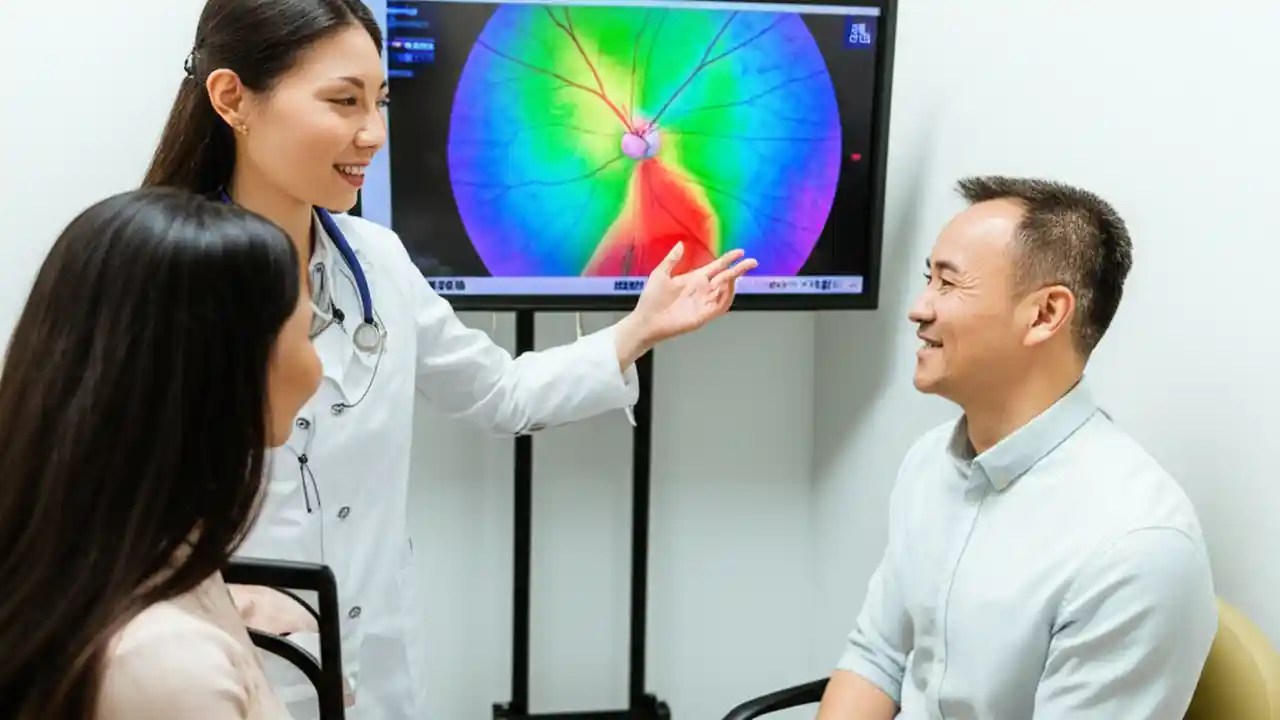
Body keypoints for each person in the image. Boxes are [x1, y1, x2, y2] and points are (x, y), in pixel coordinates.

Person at [141, 1, 758, 717]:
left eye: (381, 100)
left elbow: (500, 394)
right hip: (225, 672)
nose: (373, 133)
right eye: (343, 102)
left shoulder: (379, 262)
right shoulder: (158, 278)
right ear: (231, 98)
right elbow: (105, 516)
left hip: (376, 671)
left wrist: (636, 331)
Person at [816, 176, 1218, 719]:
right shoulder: (930, 462)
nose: (918, 308)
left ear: (1046, 314)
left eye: (948, 284)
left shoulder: (1134, 546)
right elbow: (878, 655)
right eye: (927, 279)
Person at [0, 187, 320, 719]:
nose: (317, 369)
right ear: (227, 372)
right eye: (308, 335)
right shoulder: (166, 665)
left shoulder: (103, 557)